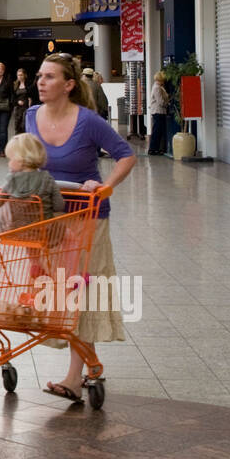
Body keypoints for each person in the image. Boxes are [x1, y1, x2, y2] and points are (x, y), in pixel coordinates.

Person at [27, 53, 135, 404]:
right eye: (39, 76)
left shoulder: (88, 121)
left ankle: (74, 378)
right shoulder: (31, 116)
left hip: (88, 219)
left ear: (69, 85)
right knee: (60, 295)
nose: (40, 82)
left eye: (49, 77)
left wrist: (106, 186)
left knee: (82, 294)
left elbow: (126, 154)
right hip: (51, 220)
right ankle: (90, 365)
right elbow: (25, 162)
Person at [0, 132, 66, 225]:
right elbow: (59, 206)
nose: (8, 163)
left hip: (14, 231)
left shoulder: (11, 180)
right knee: (62, 222)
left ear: (21, 160)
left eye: (10, 159)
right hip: (43, 231)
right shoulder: (47, 179)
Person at [148, 71, 170, 156]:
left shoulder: (159, 87)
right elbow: (160, 101)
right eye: (163, 80)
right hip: (158, 112)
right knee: (157, 131)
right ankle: (153, 149)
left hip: (159, 112)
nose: (164, 81)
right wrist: (167, 104)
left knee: (159, 131)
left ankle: (157, 149)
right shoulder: (157, 88)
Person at [11, 67, 32, 136]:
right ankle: (18, 144)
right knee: (17, 126)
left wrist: (30, 100)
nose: (19, 76)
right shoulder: (15, 85)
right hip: (17, 108)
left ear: (25, 75)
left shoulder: (28, 84)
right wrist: (17, 102)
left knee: (25, 126)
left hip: (26, 108)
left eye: (21, 75)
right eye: (18, 75)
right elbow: (12, 98)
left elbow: (31, 95)